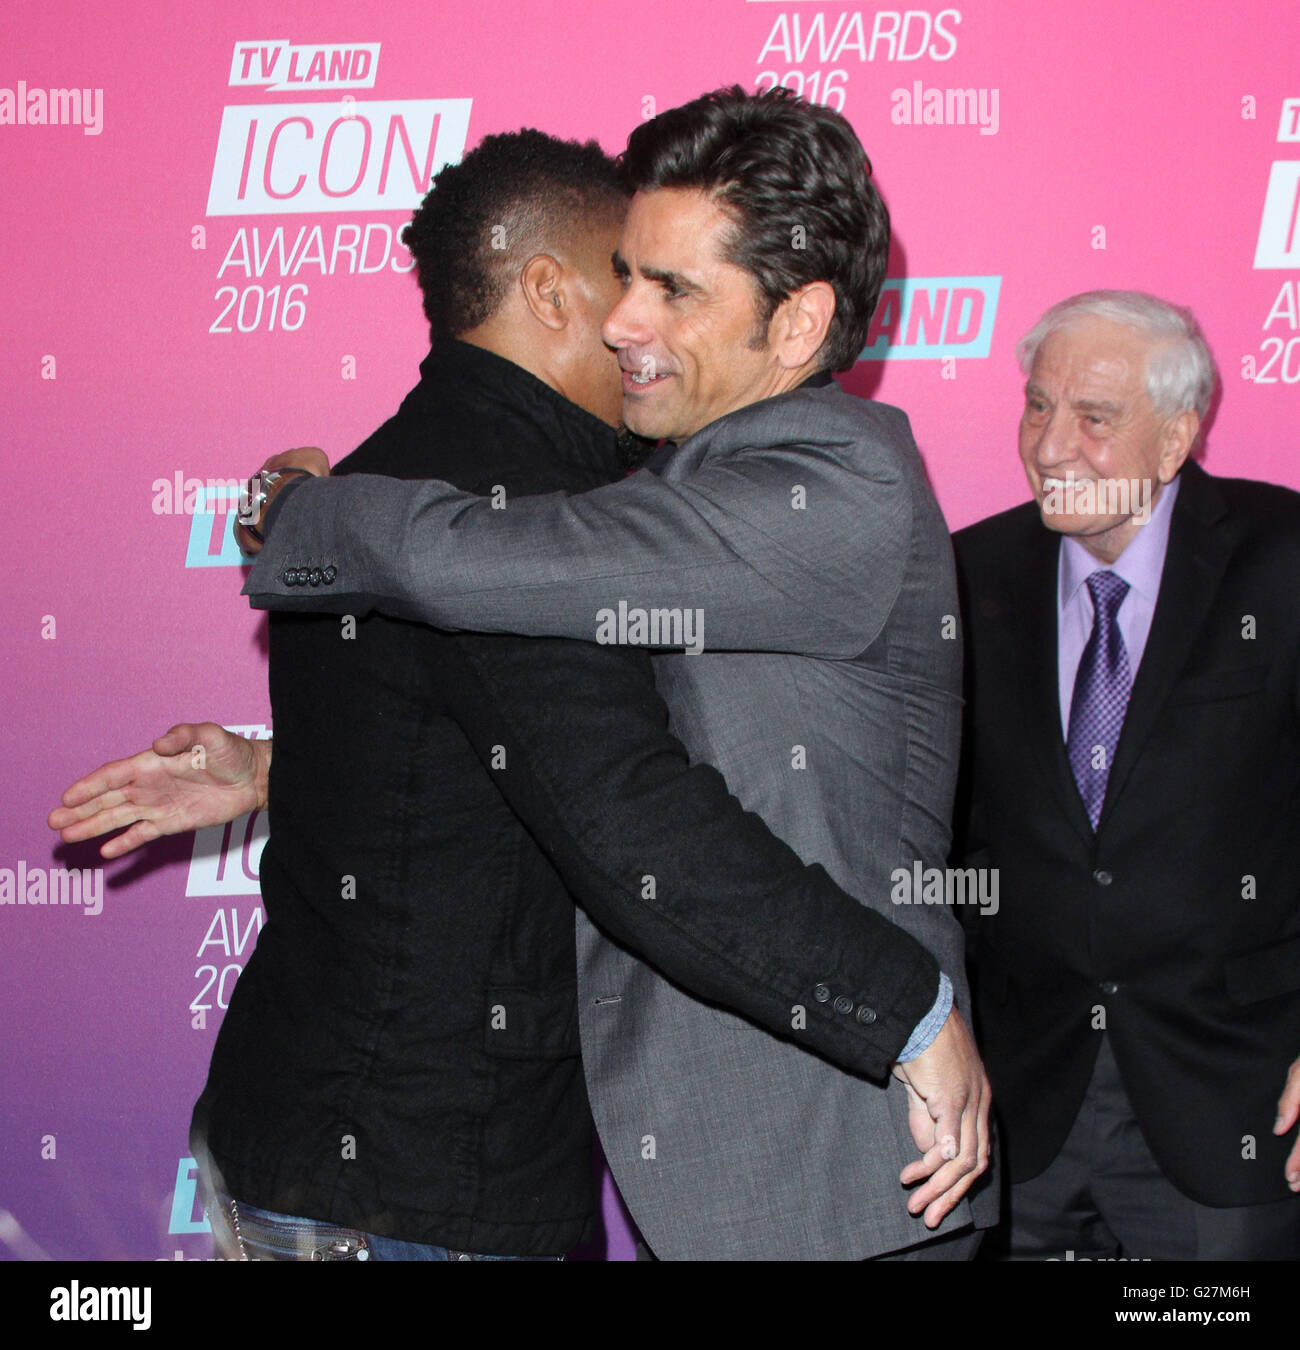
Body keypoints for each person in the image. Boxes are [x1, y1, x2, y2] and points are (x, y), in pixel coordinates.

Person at [52, 122, 987, 1261]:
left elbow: (589, 762)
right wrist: (273, 770)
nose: (627, 321)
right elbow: (543, 769)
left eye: (668, 289)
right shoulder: (578, 487)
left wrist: (291, 502)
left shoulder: (815, 484)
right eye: (622, 277)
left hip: (836, 1170)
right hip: (422, 1178)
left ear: (792, 320)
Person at [950, 289, 1300, 1259]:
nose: (1050, 446)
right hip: (1019, 1108)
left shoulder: (1282, 562)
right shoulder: (964, 576)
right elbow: (933, 836)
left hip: (1231, 1102)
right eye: (1036, 406)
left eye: (1093, 418)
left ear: (1176, 436)